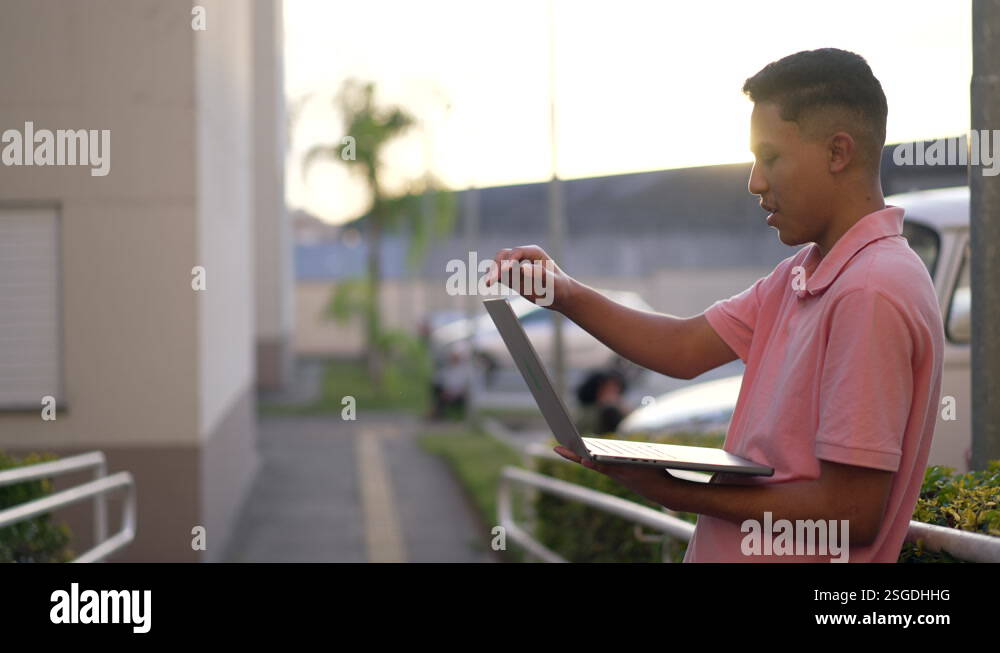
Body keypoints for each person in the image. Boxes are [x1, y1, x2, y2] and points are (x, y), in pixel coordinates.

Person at [485, 48, 944, 562]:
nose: (755, 182)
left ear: (839, 152)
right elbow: (683, 347)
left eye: (769, 157)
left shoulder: (871, 289)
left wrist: (673, 490)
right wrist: (564, 292)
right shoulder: (802, 274)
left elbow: (849, 513)